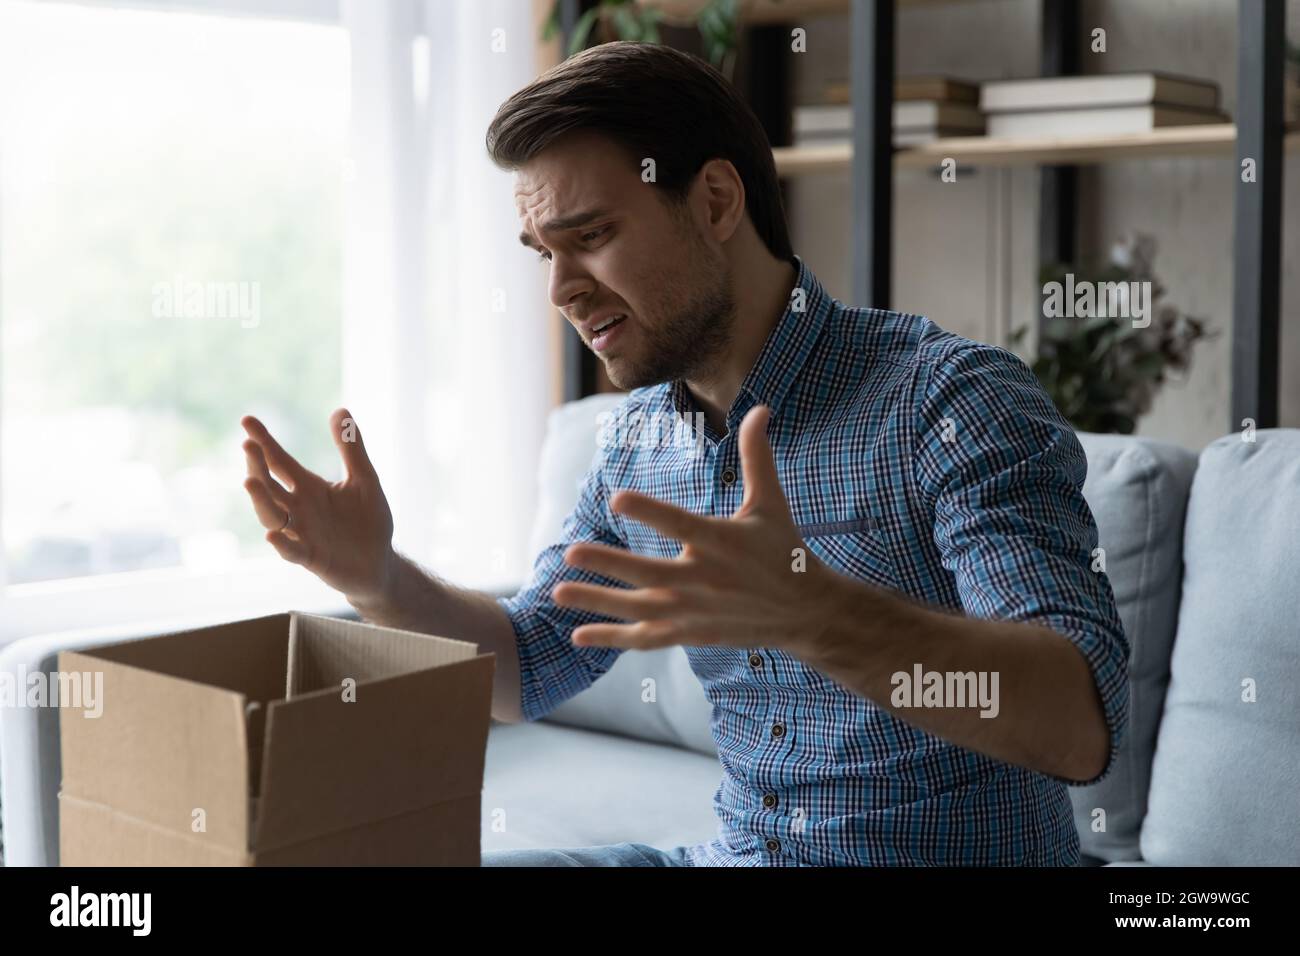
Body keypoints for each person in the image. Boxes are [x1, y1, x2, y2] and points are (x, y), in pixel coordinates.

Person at [240, 41, 1128, 867]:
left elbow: (1080, 723)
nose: (560, 289)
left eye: (589, 236)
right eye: (542, 253)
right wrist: (378, 580)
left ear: (714, 201)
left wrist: (814, 615)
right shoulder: (637, 441)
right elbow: (529, 664)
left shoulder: (949, 400)